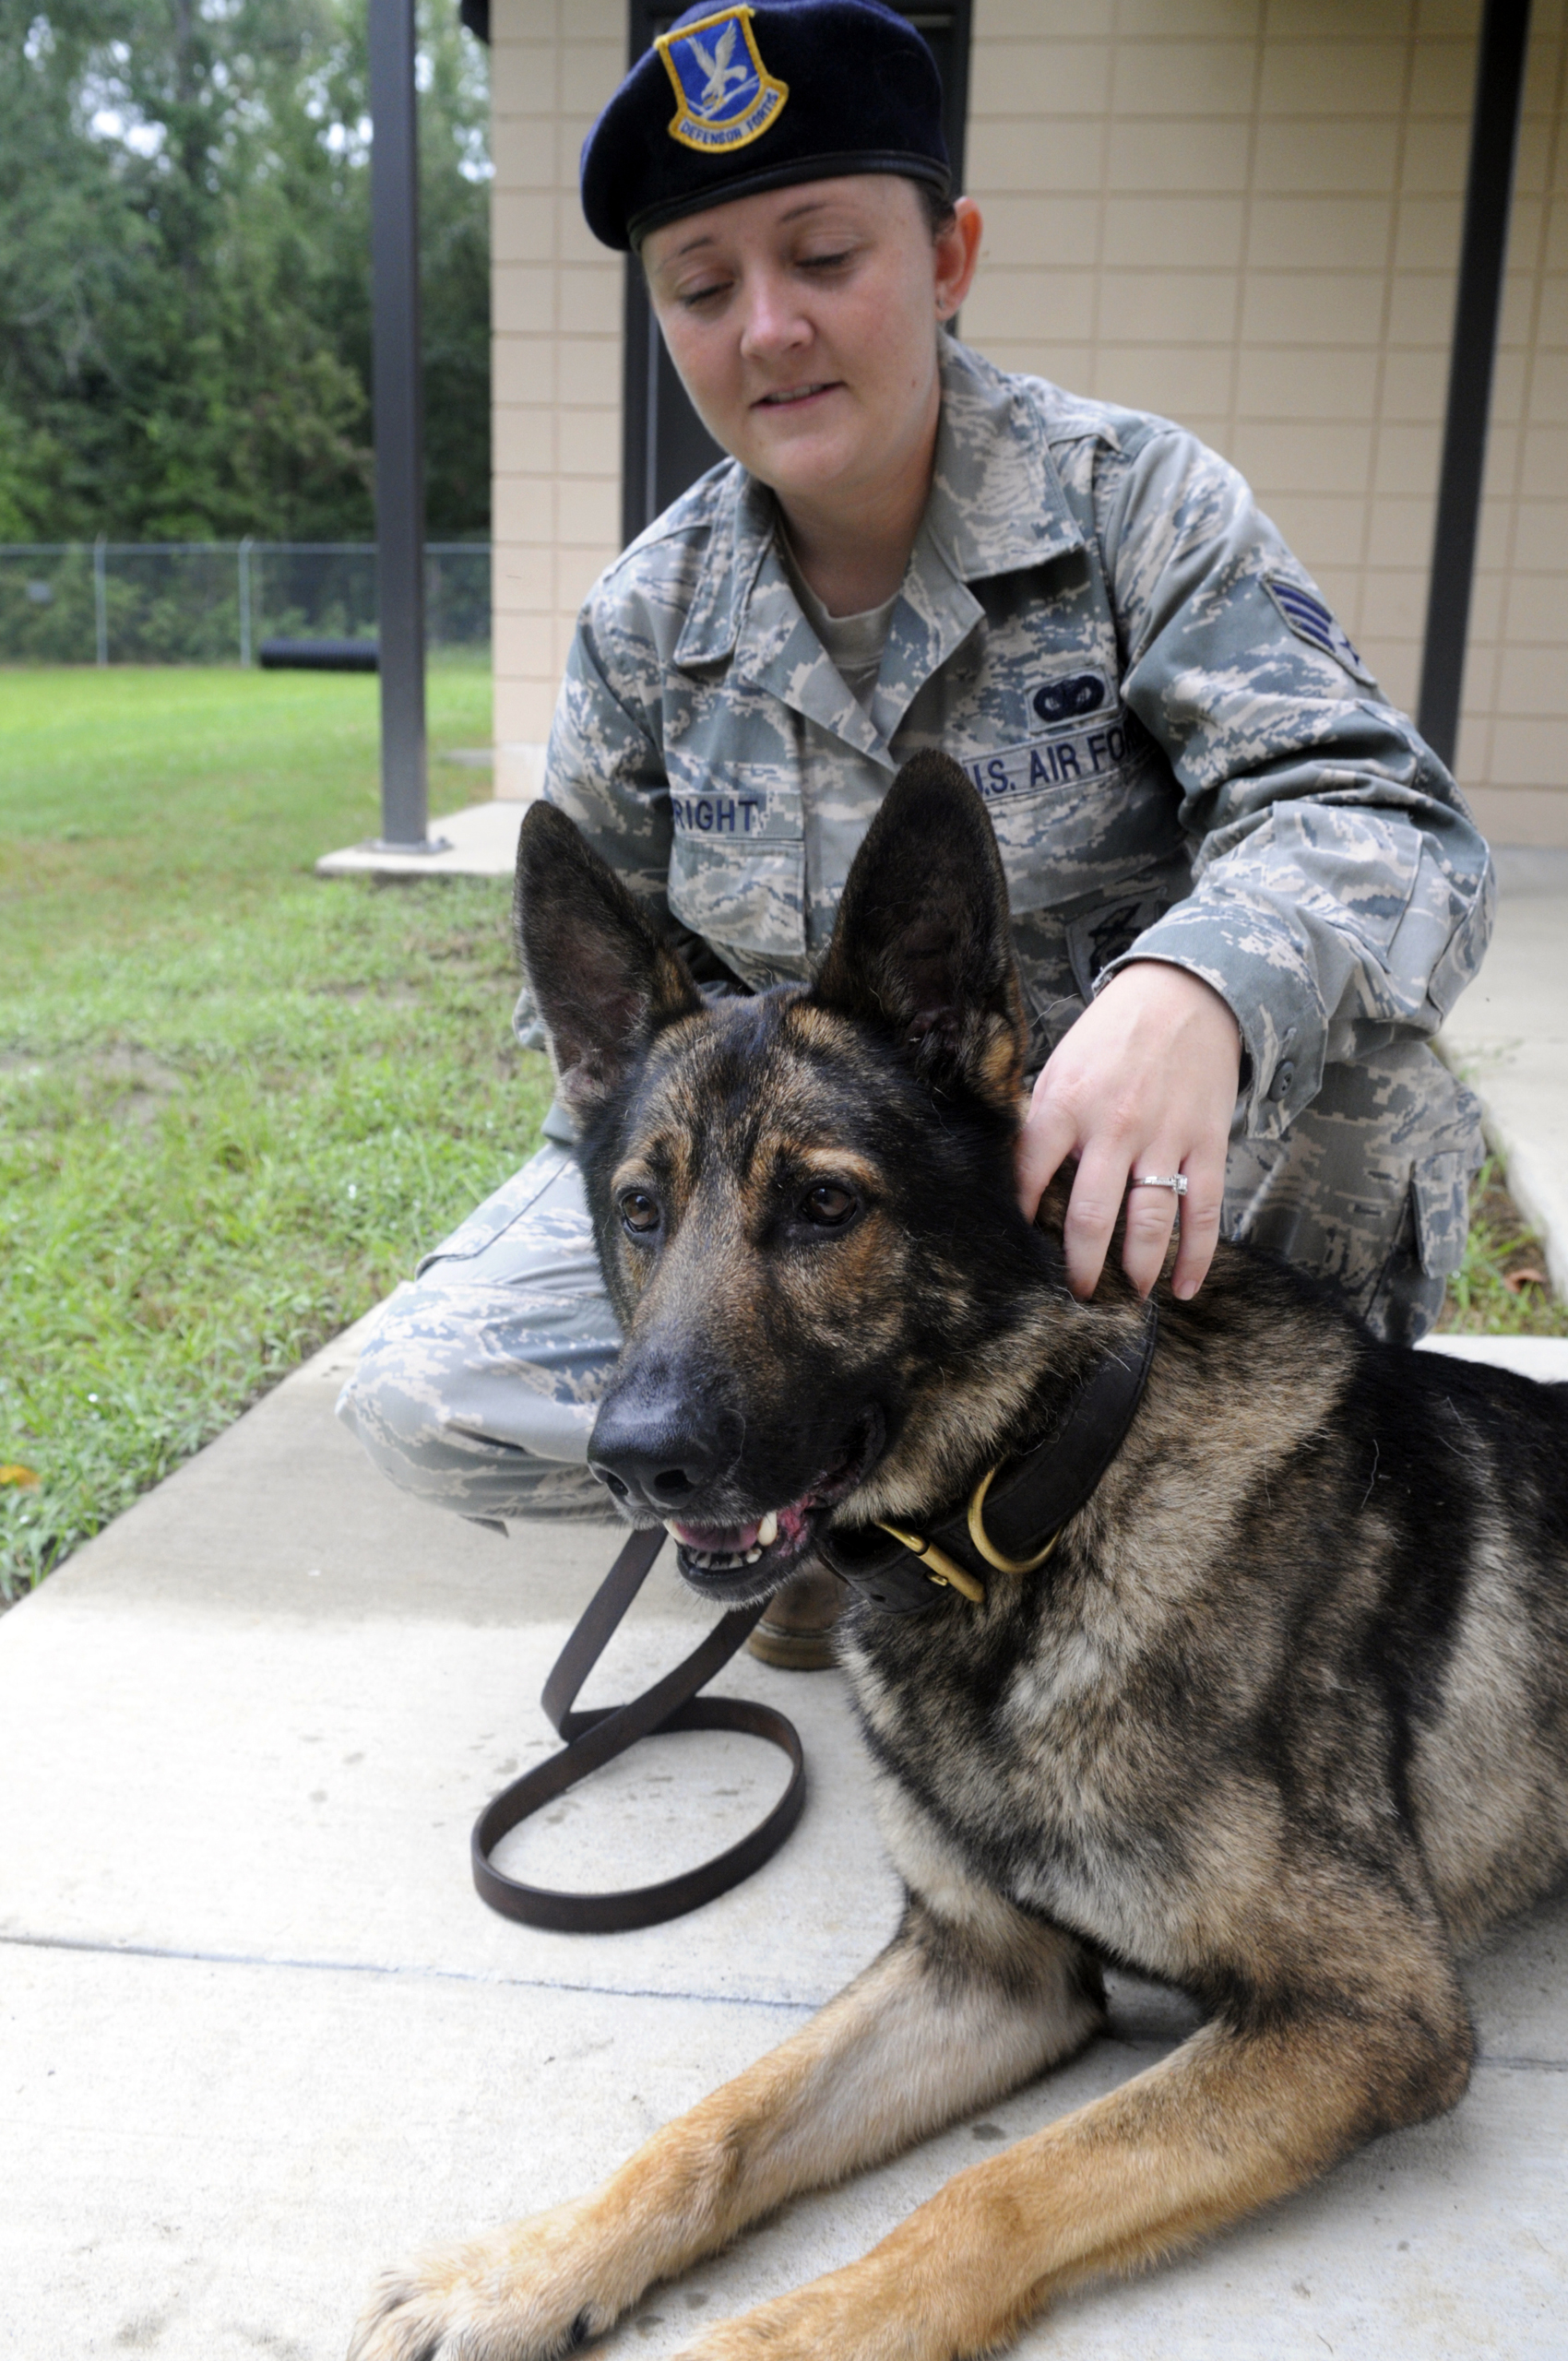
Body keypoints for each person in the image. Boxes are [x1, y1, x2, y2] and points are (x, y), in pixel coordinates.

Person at [338, 0, 1492, 1667]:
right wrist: (701, 1286)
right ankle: (835, 1504)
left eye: (824, 255)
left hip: (1106, 1168)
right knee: (425, 1390)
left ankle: (1186, 1537)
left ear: (948, 256)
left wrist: (1201, 991)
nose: (770, 329)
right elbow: (603, 1049)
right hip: (811, 1201)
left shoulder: (1137, 508)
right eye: (704, 286)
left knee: (1372, 1103)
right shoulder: (648, 621)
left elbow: (1387, 822)